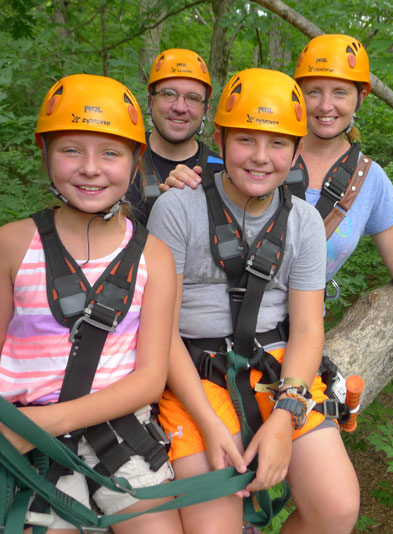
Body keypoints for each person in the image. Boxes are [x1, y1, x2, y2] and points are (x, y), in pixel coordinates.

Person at [0, 74, 183, 534]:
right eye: (71, 149)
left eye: (110, 152)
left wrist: (42, 423)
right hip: (24, 431)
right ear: (46, 154)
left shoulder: (155, 257)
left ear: (137, 161)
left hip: (120, 432)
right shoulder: (13, 244)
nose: (90, 168)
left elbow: (148, 380)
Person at [166, 34, 393, 372]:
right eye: (313, 91)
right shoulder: (256, 159)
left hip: (297, 334)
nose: (324, 105)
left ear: (360, 97)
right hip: (212, 336)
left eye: (340, 92)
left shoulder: (369, 180)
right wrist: (178, 182)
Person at [148, 68, 359, 534]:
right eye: (245, 140)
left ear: (298, 151)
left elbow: (306, 328)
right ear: (219, 142)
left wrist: (286, 415)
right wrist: (208, 421)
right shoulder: (177, 210)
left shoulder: (302, 223)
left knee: (336, 509)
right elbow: (159, 331)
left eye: (279, 143)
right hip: (193, 374)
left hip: (280, 368)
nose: (261, 157)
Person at [125, 48, 225, 226]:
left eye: (193, 98)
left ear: (205, 110)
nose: (180, 107)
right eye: (169, 94)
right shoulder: (121, 160)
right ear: (151, 101)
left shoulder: (220, 172)